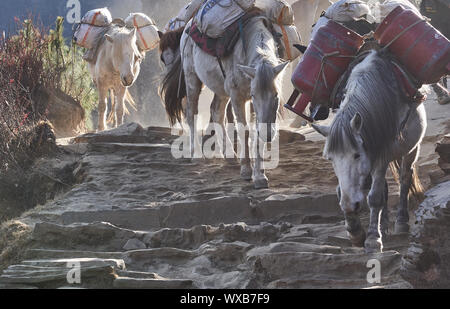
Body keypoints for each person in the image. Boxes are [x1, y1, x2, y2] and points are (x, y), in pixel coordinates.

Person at [420, 0, 450, 104]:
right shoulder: (427, 2)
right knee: (437, 64)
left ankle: (441, 93)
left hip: (444, 32)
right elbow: (425, 17)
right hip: (435, 35)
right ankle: (441, 93)